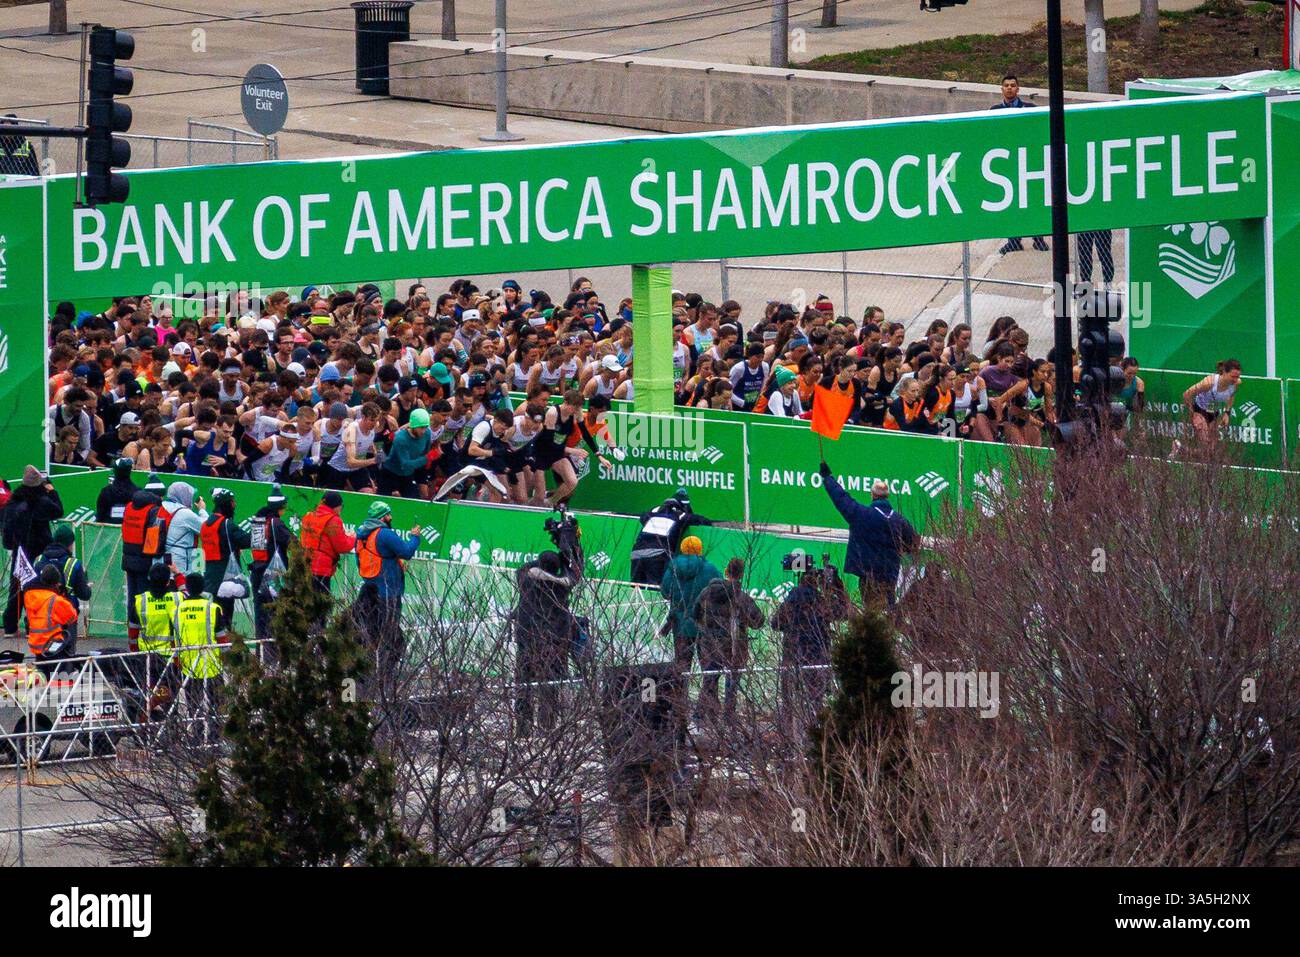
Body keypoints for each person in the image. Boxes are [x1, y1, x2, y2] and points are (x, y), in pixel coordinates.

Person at [819, 462, 917, 608]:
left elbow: (841, 498)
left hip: (868, 577)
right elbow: (914, 544)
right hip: (890, 577)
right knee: (887, 613)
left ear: (872, 495)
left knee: (873, 617)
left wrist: (828, 478)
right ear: (887, 496)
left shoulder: (862, 515)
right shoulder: (899, 520)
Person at [512, 548, 581, 737]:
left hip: (527, 641)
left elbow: (522, 569)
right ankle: (547, 728)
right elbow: (575, 573)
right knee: (550, 686)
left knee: (523, 685)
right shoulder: (562, 587)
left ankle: (523, 729)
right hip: (554, 643)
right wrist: (564, 558)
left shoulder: (526, 581)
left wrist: (539, 563)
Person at [351, 501, 422, 686]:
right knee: (391, 636)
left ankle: (365, 674)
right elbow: (406, 552)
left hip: (368, 591)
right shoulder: (385, 534)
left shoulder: (361, 536)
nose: (391, 518)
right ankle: (384, 678)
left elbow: (360, 562)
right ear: (383, 517)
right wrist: (415, 537)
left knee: (372, 633)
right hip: (388, 592)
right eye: (389, 515)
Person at [659, 536, 721, 739]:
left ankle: (679, 708)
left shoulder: (672, 567)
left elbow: (665, 592)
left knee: (681, 669)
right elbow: (720, 591)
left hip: (679, 625)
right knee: (709, 670)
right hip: (704, 627)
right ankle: (705, 711)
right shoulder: (709, 569)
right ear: (700, 549)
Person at [774, 559, 848, 729]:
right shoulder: (821, 602)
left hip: (792, 654)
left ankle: (789, 729)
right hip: (816, 655)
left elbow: (775, 623)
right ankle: (816, 729)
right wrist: (838, 587)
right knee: (815, 699)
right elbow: (844, 612)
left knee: (789, 700)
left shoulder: (792, 600)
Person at [693, 557, 763, 719]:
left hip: (709, 644)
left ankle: (701, 715)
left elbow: (695, 613)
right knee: (732, 682)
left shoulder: (706, 592)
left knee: (709, 679)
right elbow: (758, 621)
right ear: (741, 574)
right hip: (734, 645)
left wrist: (705, 630)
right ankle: (729, 718)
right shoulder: (742, 597)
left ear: (726, 571)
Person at [3, 466, 64, 640]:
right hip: (39, 551)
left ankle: (9, 626)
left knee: (17, 588)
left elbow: (6, 527)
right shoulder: (42, 502)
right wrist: (52, 492)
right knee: (39, 587)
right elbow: (58, 511)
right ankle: (33, 624)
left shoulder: (13, 502)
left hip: (20, 551)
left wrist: (10, 546)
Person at [992, 75, 1048, 255]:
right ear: (1002, 89)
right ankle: (1013, 240)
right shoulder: (995, 110)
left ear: (1018, 89)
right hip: (1006, 164)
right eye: (1006, 86)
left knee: (1032, 199)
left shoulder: (1029, 109)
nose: (1009, 88)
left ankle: (1038, 238)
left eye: (1012, 85)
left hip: (1027, 162)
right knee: (1011, 202)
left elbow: (1038, 131)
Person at [175, 577, 227, 744]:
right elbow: (222, 639)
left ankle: (196, 739)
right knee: (217, 703)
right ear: (203, 588)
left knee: (193, 704)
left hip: (188, 665)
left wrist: (178, 660)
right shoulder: (213, 609)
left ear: (187, 588)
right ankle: (214, 739)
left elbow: (174, 639)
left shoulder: (177, 610)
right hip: (211, 664)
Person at [629, 489, 712, 586]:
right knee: (656, 592)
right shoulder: (680, 516)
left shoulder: (651, 515)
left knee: (635, 591)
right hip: (658, 556)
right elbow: (704, 521)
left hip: (636, 554)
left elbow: (642, 517)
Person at [200, 488, 250, 627]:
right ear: (225, 504)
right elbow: (246, 541)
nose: (234, 505)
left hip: (211, 577)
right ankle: (226, 645)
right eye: (232, 502)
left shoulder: (205, 525)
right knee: (225, 617)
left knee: (215, 614)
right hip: (227, 578)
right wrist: (259, 529)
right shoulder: (227, 524)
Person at [248, 485, 292, 642]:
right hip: (272, 575)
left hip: (257, 572)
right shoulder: (277, 523)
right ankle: (274, 656)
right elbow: (293, 544)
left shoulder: (257, 521)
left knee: (261, 615)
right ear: (281, 508)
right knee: (276, 616)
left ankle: (262, 655)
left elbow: (255, 546)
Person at [134, 561, 182, 704]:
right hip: (170, 658)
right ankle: (165, 722)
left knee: (148, 693)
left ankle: (145, 718)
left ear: (149, 578)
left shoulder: (140, 601)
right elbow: (188, 591)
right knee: (168, 698)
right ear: (168, 582)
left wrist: (135, 652)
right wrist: (177, 573)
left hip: (146, 657)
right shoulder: (176, 598)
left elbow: (132, 633)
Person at [23, 564, 80, 670]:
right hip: (53, 645)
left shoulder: (29, 595)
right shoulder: (55, 600)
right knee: (59, 677)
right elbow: (72, 617)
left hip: (37, 645)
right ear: (55, 582)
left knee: (43, 675)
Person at [1180, 358, 1241, 454]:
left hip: (1214, 412)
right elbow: (1186, 395)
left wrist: (1227, 413)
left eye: (1237, 377)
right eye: (1232, 376)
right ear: (1224, 372)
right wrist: (1194, 415)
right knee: (1205, 444)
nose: (1235, 380)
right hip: (1199, 410)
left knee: (1210, 449)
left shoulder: (1236, 383)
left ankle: (1179, 448)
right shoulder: (1209, 383)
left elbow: (1232, 395)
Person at [301, 490, 355, 594]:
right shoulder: (333, 520)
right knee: (321, 604)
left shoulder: (309, 516)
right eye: (341, 506)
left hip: (306, 563)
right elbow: (342, 546)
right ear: (336, 506)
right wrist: (353, 538)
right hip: (321, 567)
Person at [34, 524, 91, 617]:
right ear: (70, 544)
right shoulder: (73, 564)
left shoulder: (38, 560)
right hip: (64, 618)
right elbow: (84, 594)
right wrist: (86, 582)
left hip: (39, 616)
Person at [376, 406, 432, 498]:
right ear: (413, 425)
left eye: (426, 427)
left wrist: (427, 459)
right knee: (381, 502)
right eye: (421, 428)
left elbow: (425, 453)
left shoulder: (427, 433)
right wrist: (428, 458)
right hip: (390, 473)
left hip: (408, 475)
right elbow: (406, 464)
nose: (423, 431)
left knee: (414, 502)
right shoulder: (401, 438)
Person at [161, 481, 207, 588]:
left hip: (163, 559)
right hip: (180, 564)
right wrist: (202, 510)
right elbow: (206, 528)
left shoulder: (163, 507)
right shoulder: (184, 513)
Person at [95, 456, 139, 524]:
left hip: (108, 531)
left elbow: (100, 516)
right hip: (129, 531)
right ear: (130, 471)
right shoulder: (137, 492)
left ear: (115, 471)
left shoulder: (106, 491)